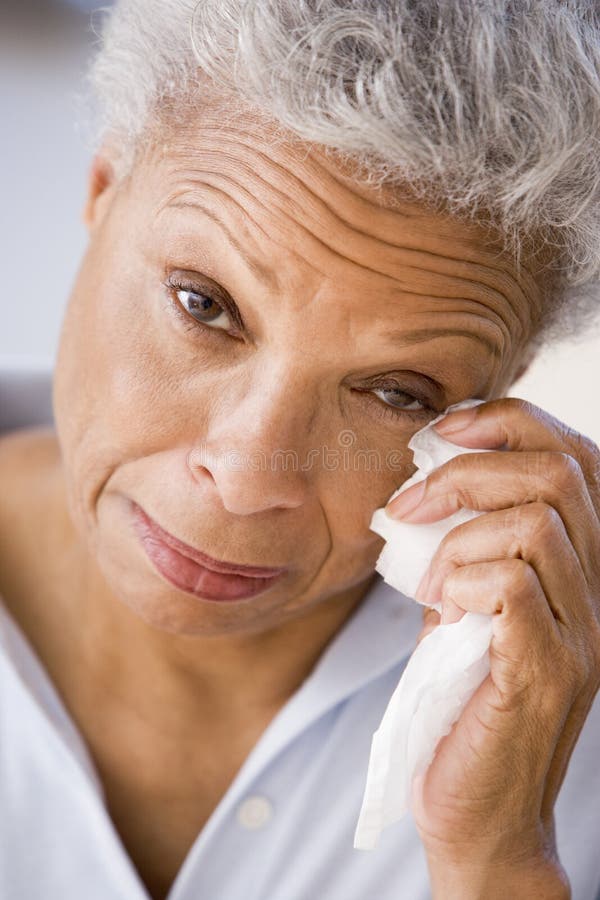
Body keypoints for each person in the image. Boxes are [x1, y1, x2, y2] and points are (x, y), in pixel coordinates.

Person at [1, 1, 599, 898]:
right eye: (205, 306)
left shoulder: (565, 730)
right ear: (102, 188)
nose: (246, 480)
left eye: (395, 394)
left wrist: (498, 862)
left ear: (500, 389)